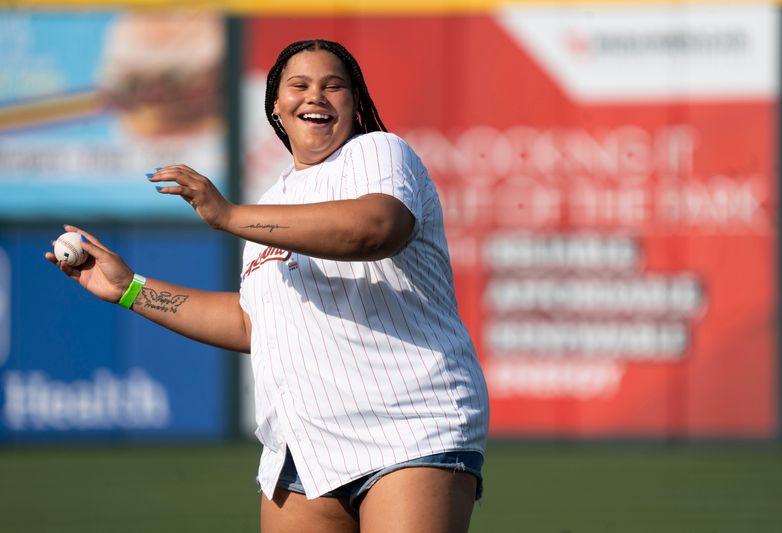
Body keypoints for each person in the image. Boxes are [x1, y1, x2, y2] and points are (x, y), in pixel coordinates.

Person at [46, 39, 489, 533]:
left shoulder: (378, 151)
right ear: (276, 106)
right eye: (298, 86)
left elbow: (377, 229)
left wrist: (230, 215)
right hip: (302, 448)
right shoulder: (270, 204)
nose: (315, 96)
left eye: (333, 86)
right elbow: (249, 323)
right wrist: (130, 288)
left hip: (409, 425)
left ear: (355, 100)